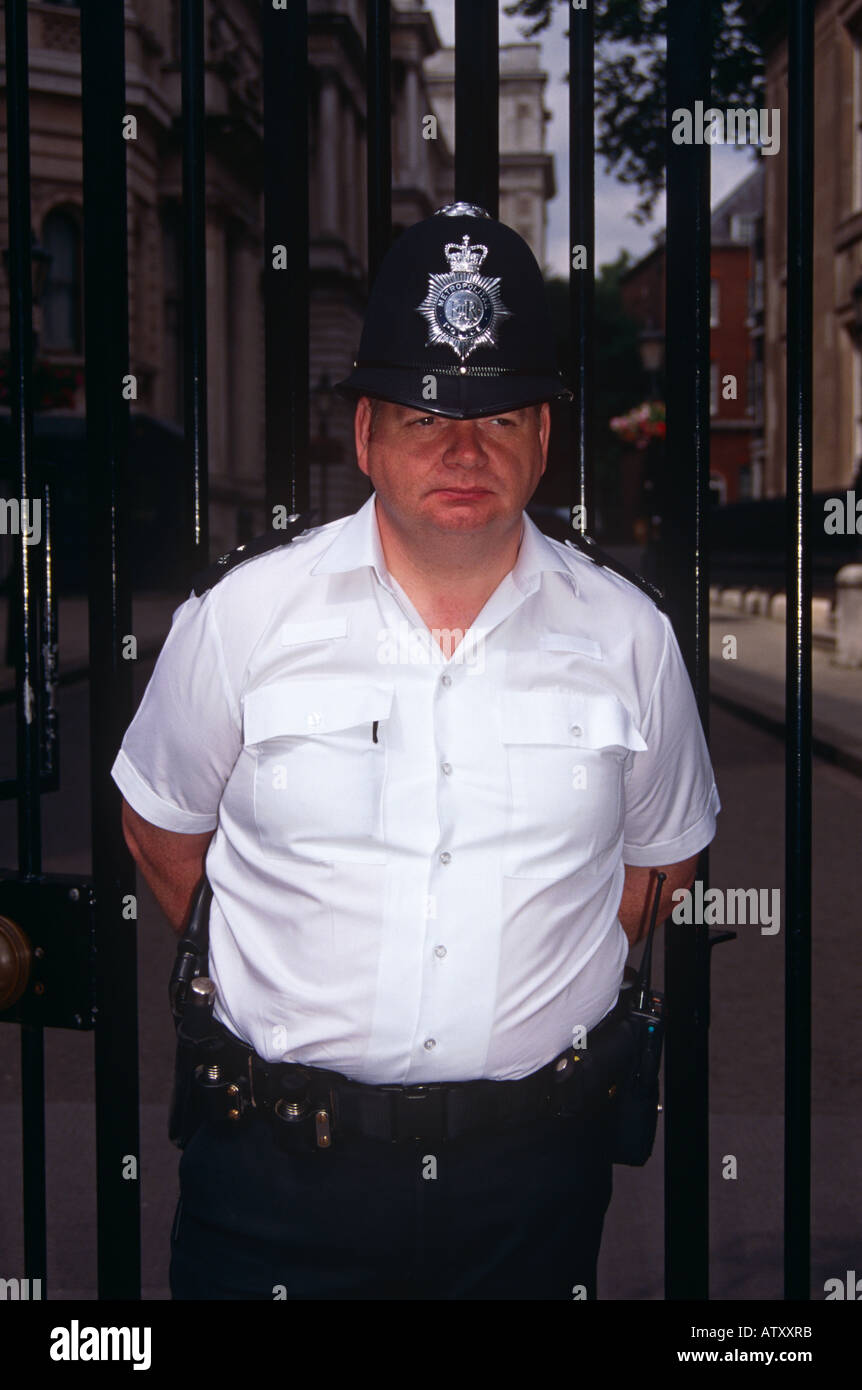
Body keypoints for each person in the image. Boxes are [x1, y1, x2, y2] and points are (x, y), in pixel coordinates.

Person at [112, 203, 720, 1301]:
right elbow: (159, 830)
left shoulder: (630, 637)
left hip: (530, 1183)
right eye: (421, 414)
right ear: (362, 437)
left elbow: (655, 866)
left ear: (543, 434)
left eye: (497, 417)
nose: (461, 449)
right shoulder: (243, 620)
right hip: (274, 1182)